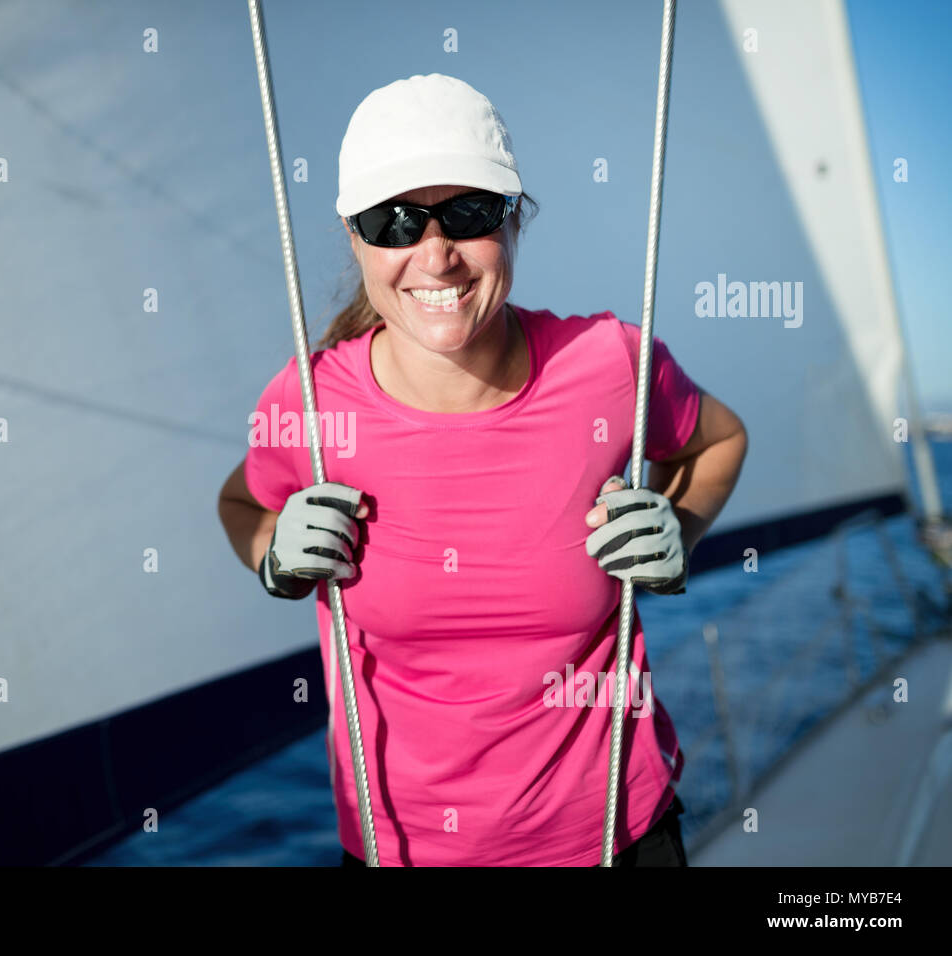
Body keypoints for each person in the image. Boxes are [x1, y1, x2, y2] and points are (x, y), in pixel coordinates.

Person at [217, 73, 747, 866]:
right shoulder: (308, 400)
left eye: (468, 213)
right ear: (354, 237)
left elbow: (718, 440)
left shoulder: (611, 364)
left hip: (619, 839)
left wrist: (684, 526)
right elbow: (242, 503)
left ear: (514, 219)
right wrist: (273, 559)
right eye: (392, 221)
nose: (435, 254)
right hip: (399, 851)